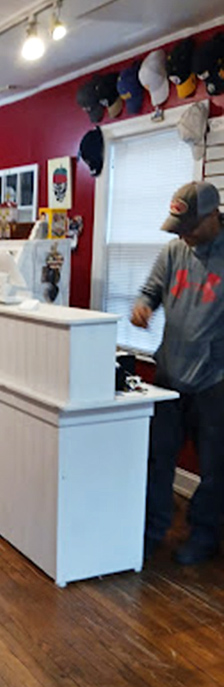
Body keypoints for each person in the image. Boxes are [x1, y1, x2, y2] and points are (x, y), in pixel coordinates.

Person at [131, 180, 224, 565]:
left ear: (214, 215)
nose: (183, 236)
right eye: (178, 228)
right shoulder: (173, 252)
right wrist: (144, 306)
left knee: (216, 467)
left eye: (190, 228)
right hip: (169, 375)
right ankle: (151, 532)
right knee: (157, 459)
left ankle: (203, 536)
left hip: (215, 382)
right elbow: (150, 290)